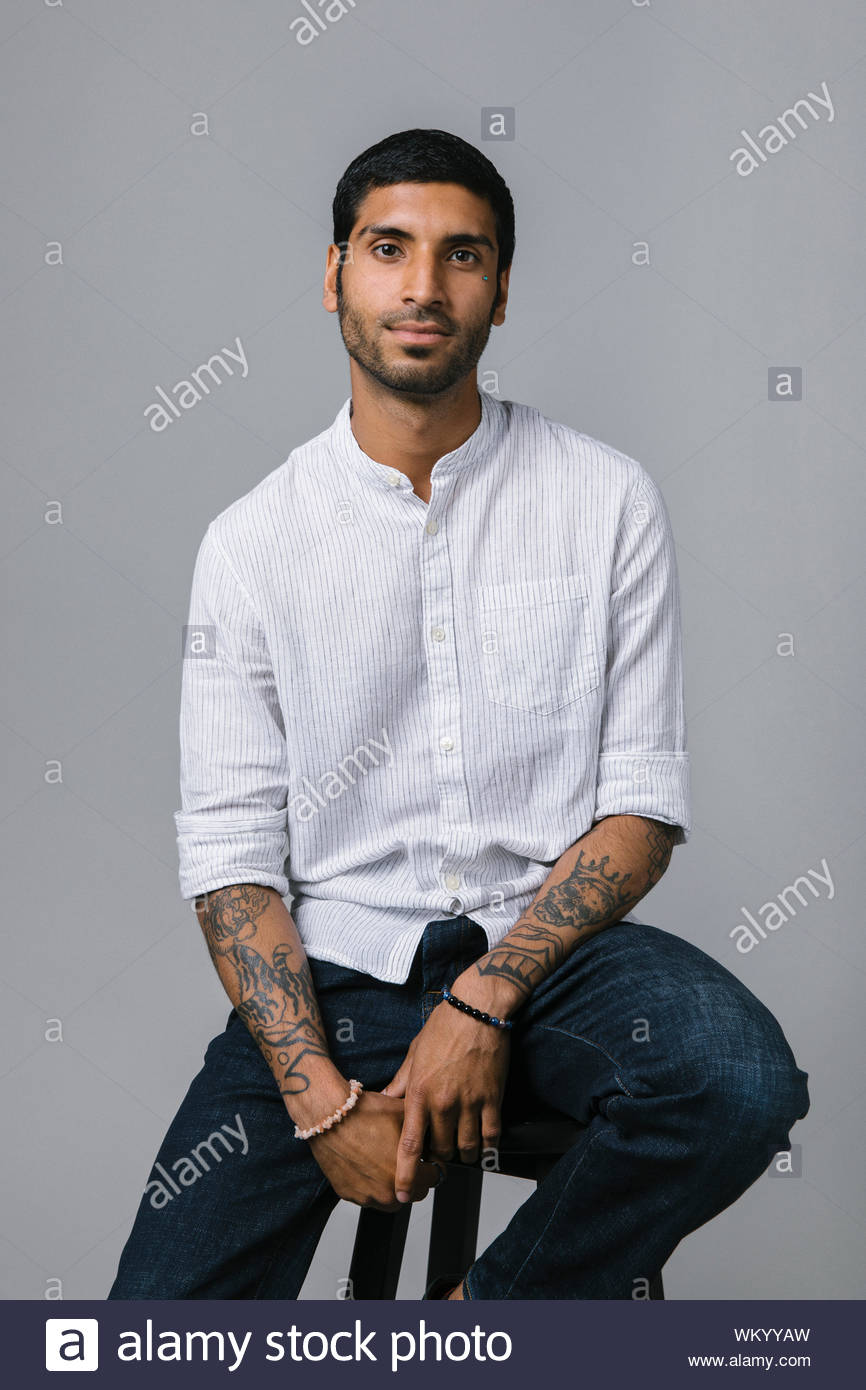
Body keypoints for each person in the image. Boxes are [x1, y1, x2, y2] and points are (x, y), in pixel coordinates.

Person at [107, 128, 809, 1301]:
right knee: (141, 1340)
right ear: (335, 275)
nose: (422, 287)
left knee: (732, 1077)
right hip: (331, 981)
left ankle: (481, 1329)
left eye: (460, 256)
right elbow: (233, 865)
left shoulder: (602, 499)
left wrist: (485, 995)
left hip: (553, 967)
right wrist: (320, 1101)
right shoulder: (251, 544)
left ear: (499, 289)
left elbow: (638, 809)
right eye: (389, 250)